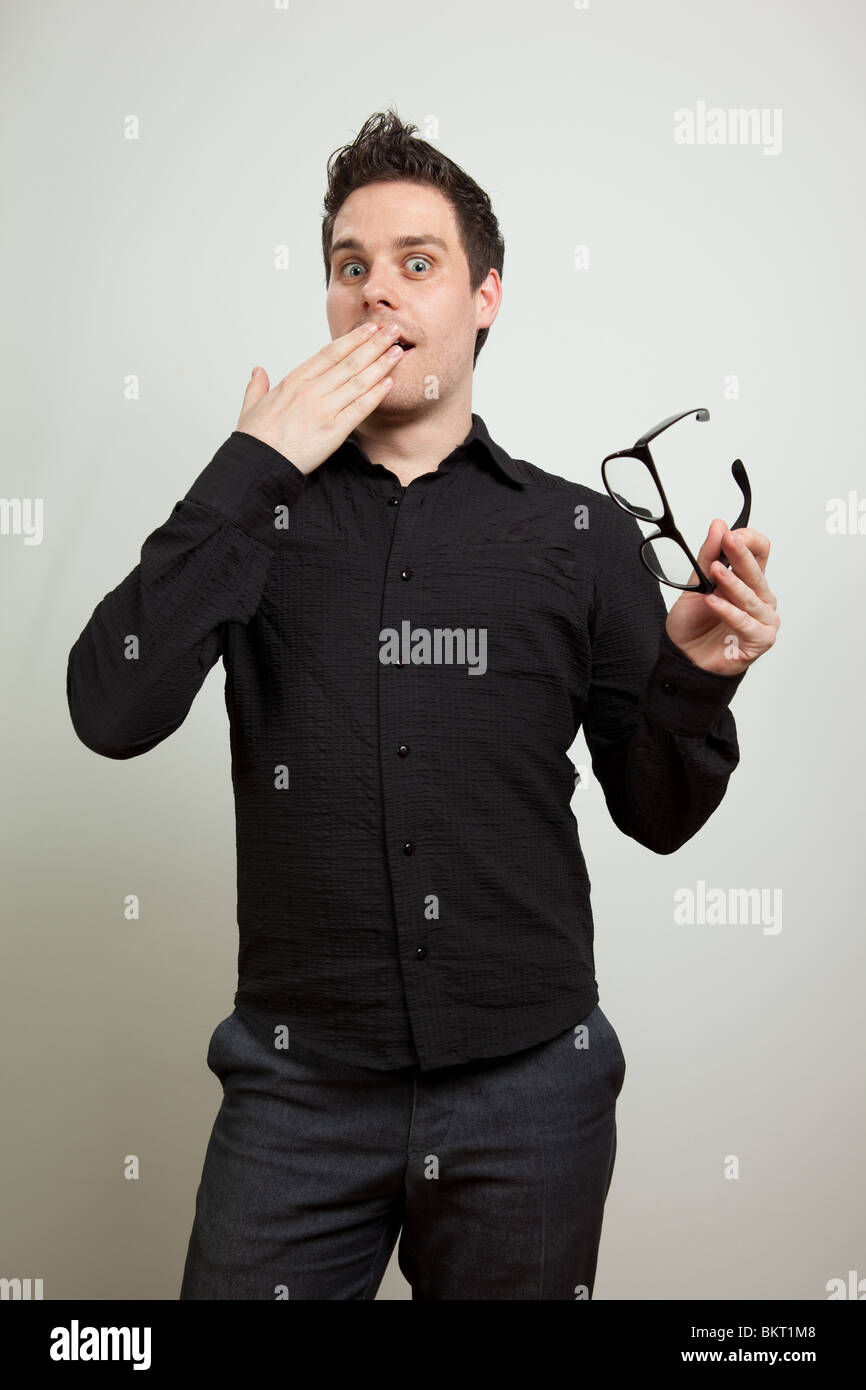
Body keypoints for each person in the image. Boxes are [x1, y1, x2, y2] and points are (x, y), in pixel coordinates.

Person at [66, 109, 779, 1300]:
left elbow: (654, 812)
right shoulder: (254, 515)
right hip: (296, 1093)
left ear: (484, 296)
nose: (376, 291)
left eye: (416, 261)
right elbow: (110, 707)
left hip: (530, 1095)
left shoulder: (578, 533)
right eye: (349, 266)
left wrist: (697, 676)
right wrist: (249, 467)